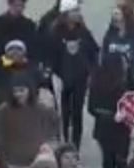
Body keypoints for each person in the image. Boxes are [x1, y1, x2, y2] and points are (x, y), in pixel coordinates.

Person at [88, 52, 134, 168]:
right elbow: (92, 108)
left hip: (124, 128)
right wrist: (111, 116)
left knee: (122, 162)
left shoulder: (129, 81)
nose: (125, 65)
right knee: (108, 161)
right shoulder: (98, 83)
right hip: (105, 128)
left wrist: (130, 116)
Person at [48, 4, 98, 148]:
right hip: (62, 79)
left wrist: (91, 72)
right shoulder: (56, 32)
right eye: (73, 11)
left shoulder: (83, 32)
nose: (77, 14)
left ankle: (75, 145)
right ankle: (64, 144)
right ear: (65, 14)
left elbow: (94, 52)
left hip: (80, 79)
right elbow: (51, 56)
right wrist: (55, 73)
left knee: (77, 113)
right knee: (64, 114)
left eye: (77, 11)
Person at [0, 74, 61, 168]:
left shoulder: (41, 108)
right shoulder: (3, 111)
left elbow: (55, 122)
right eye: (15, 91)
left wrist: (48, 143)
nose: (18, 94)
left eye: (22, 90)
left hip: (35, 162)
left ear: (29, 90)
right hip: (12, 162)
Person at [101, 6, 134, 82]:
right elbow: (104, 54)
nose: (114, 16)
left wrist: (131, 66)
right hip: (111, 77)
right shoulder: (109, 35)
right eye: (113, 15)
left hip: (131, 77)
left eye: (117, 13)